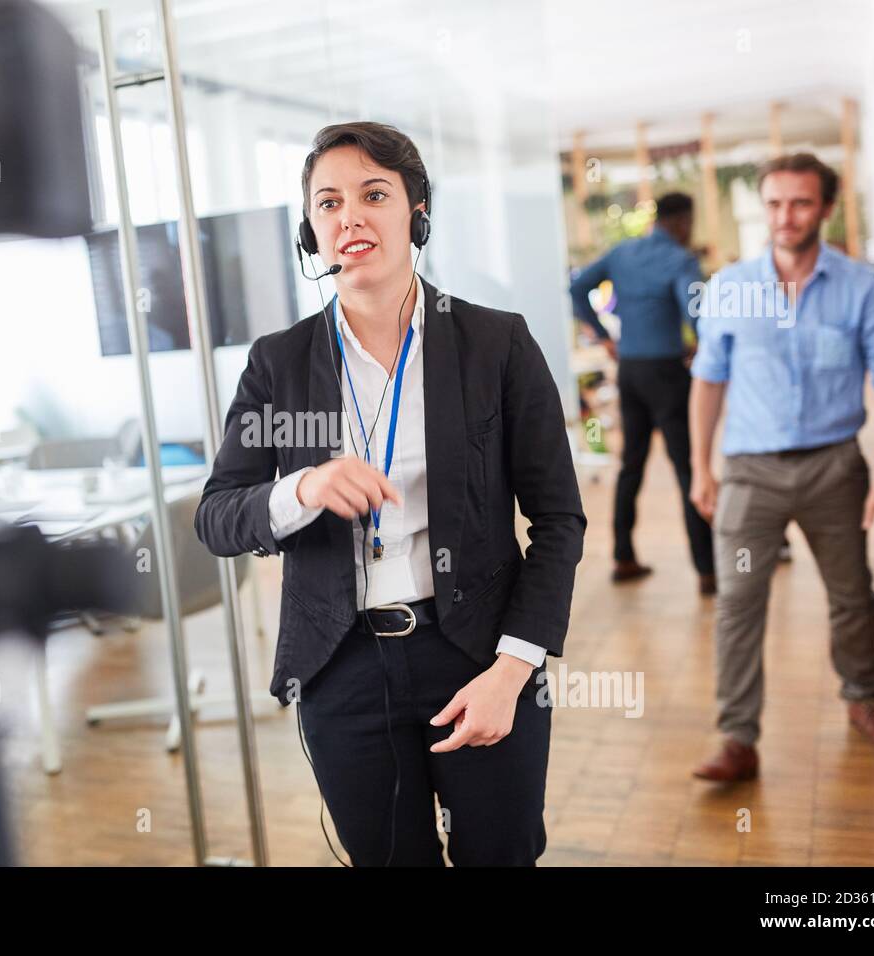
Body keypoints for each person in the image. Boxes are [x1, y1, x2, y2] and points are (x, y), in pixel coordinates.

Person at [194, 122, 585, 865]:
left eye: (375, 194)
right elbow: (217, 517)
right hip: (342, 667)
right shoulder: (278, 364)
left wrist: (514, 669)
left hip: (479, 655)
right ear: (310, 232)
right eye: (328, 203)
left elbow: (558, 519)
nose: (350, 217)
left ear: (418, 213)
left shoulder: (496, 344)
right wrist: (303, 487)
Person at [688, 152, 874, 781]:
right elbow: (708, 382)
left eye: (801, 203)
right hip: (749, 474)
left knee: (852, 596)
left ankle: (863, 699)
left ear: (827, 208)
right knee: (737, 604)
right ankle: (737, 737)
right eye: (775, 203)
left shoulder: (861, 286)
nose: (786, 216)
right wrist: (702, 470)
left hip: (834, 469)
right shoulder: (730, 287)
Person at [569, 193, 716, 595]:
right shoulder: (681, 260)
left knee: (630, 466)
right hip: (667, 374)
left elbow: (578, 287)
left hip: (630, 372)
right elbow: (697, 316)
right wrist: (702, 347)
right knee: (688, 468)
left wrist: (602, 336)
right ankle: (707, 570)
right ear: (684, 220)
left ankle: (623, 556)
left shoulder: (623, 252)